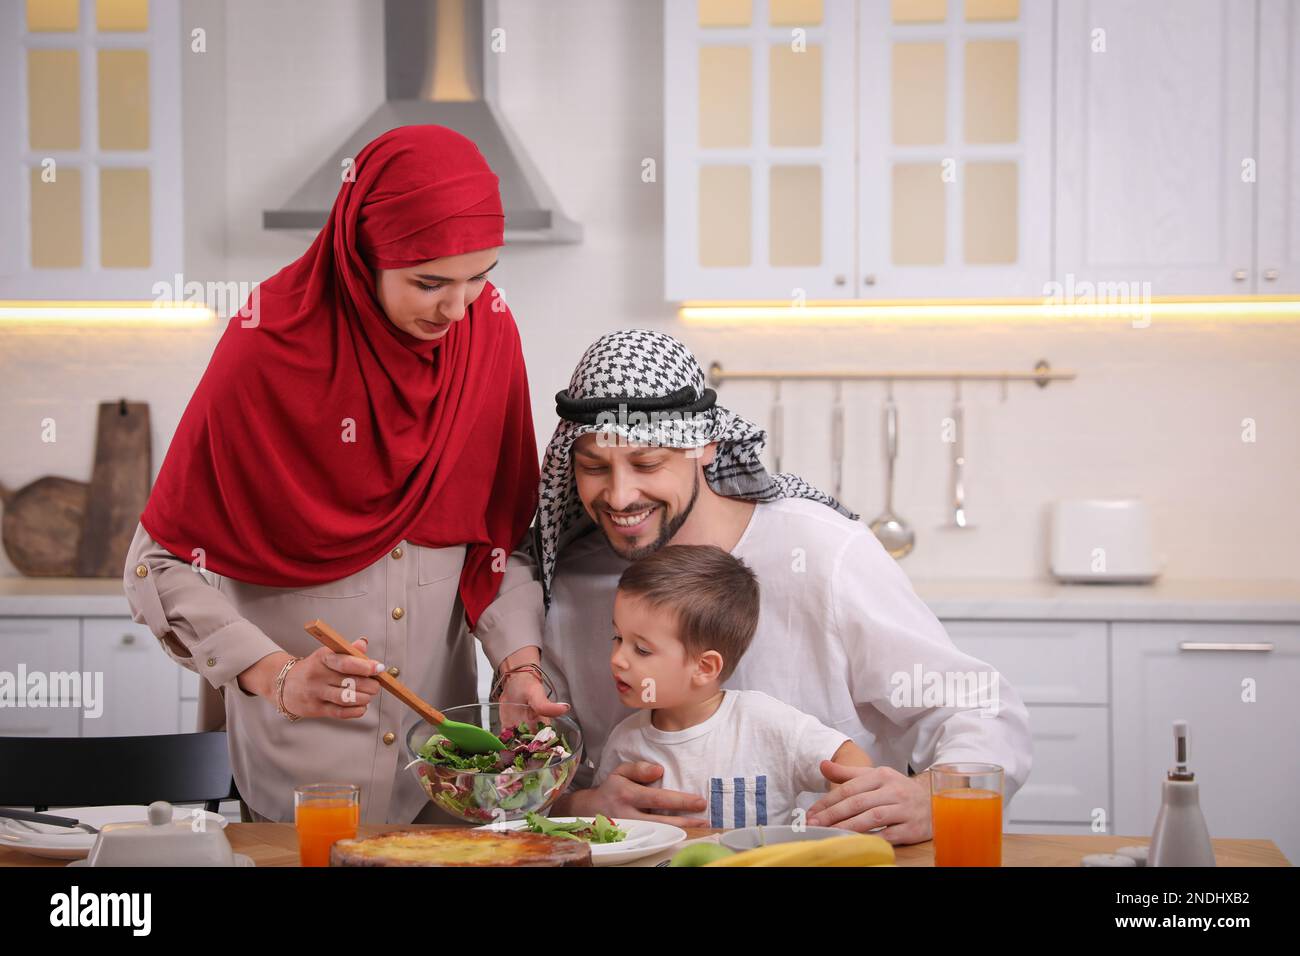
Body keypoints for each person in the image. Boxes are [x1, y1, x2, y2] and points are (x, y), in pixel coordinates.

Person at [122, 125, 564, 824]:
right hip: (297, 782)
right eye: (429, 282)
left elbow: (499, 542)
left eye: (481, 276)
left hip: (445, 779)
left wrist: (518, 667)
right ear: (362, 254)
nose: (458, 308)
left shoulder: (488, 337)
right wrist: (278, 677)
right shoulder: (265, 346)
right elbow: (156, 565)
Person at [538, 329, 1031, 845]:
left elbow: (977, 707)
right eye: (594, 466)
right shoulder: (572, 583)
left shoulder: (820, 549)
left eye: (647, 463)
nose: (619, 495)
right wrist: (582, 804)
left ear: (705, 446)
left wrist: (932, 796)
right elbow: (532, 770)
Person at [594, 544, 874, 829]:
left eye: (641, 649)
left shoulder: (763, 722)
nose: (617, 659)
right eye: (617, 638)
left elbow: (847, 756)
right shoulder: (625, 743)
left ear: (704, 668)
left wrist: (845, 797)